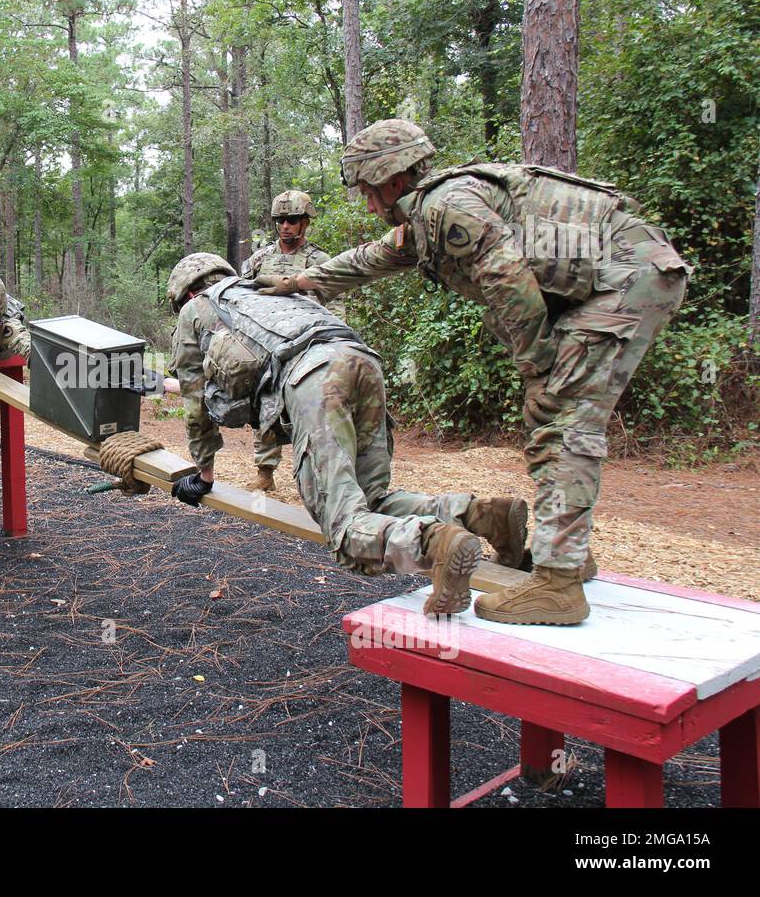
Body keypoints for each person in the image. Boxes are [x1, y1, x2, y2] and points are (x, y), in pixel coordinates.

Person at [258, 119, 690, 624]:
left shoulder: (447, 206)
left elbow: (510, 281)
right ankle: (567, 556)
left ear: (392, 179)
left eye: (369, 192)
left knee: (562, 420)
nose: (369, 205)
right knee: (556, 417)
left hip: (625, 279)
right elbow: (373, 258)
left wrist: (536, 370)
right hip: (608, 280)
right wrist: (301, 281)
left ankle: (558, 584)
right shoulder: (432, 214)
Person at [166, 251, 529, 616]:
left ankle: (435, 545)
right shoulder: (266, 289)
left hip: (314, 377)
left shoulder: (195, 311)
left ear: (186, 294)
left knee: (343, 528)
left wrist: (203, 474)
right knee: (371, 501)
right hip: (362, 360)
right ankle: (485, 516)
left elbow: (196, 402)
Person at [239, 191, 340, 493]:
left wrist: (333, 339)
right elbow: (243, 297)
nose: (285, 226)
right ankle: (265, 470)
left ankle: (313, 475)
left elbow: (335, 301)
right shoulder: (260, 258)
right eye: (280, 220)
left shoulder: (320, 261)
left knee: (312, 408)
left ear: (305, 223)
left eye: (292, 220)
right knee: (264, 407)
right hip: (268, 343)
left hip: (308, 342)